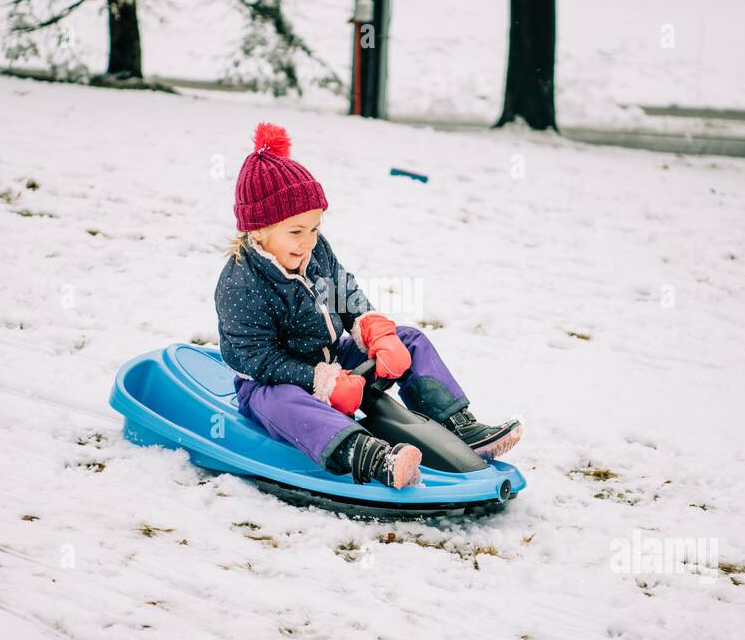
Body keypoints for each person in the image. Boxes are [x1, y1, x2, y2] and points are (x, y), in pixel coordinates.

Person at [214, 121, 524, 489]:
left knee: (408, 339)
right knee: (282, 402)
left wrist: (372, 328)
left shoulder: (314, 252)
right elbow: (254, 358)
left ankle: (459, 424)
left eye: (314, 228)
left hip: (333, 361)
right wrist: (319, 382)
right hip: (273, 384)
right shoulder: (241, 283)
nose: (308, 242)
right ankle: (370, 456)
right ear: (259, 230)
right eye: (296, 232)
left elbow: (342, 291)